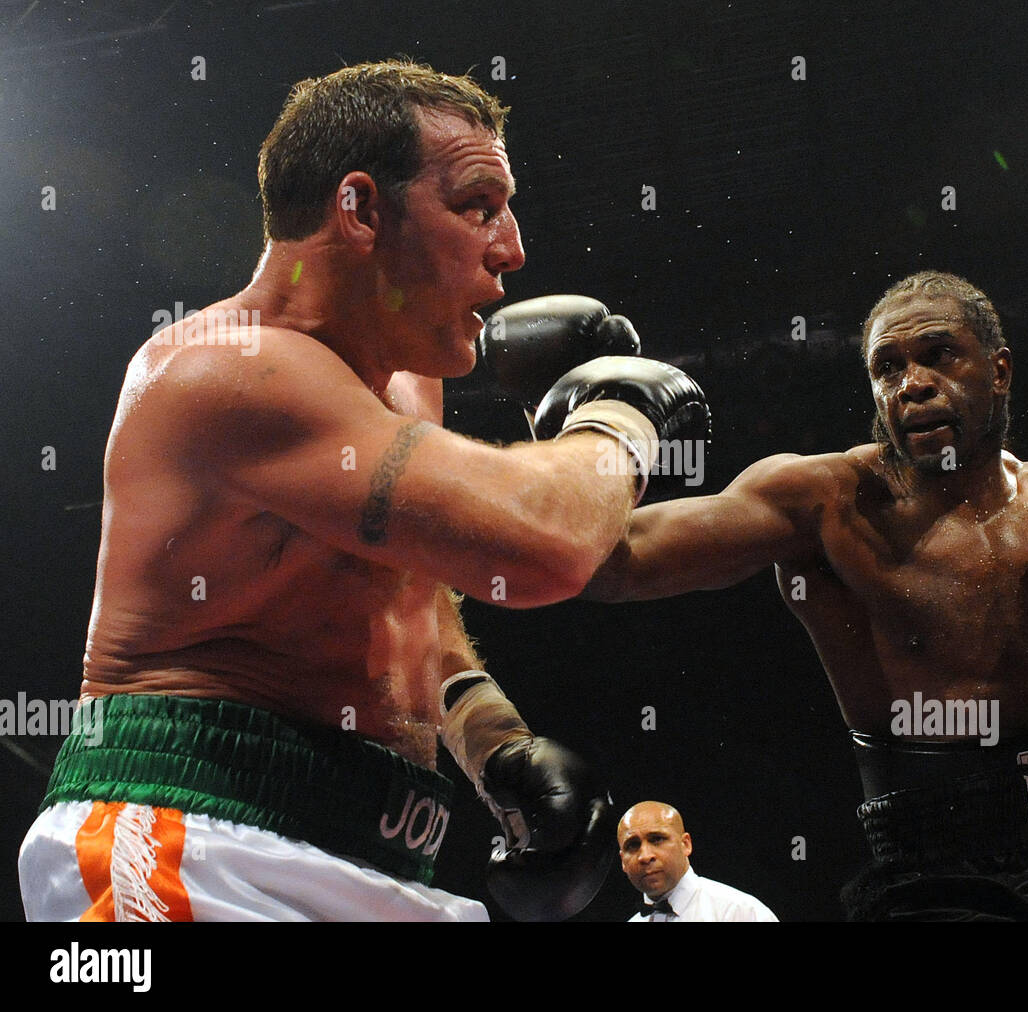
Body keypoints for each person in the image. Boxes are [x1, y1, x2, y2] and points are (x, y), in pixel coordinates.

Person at [18, 59, 707, 922]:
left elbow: (408, 580)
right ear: (361, 209)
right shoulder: (231, 368)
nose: (513, 248)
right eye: (478, 206)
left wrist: (492, 742)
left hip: (376, 856)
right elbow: (542, 545)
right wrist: (624, 414)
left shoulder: (402, 381)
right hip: (187, 839)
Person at [586, 271, 1028, 922]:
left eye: (938, 356)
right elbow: (615, 563)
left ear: (999, 370)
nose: (913, 385)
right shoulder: (824, 504)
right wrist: (596, 437)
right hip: (942, 865)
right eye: (888, 368)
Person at [617, 801, 778, 921]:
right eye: (633, 845)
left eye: (657, 839)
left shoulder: (740, 913)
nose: (645, 856)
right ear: (623, 861)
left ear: (685, 844)